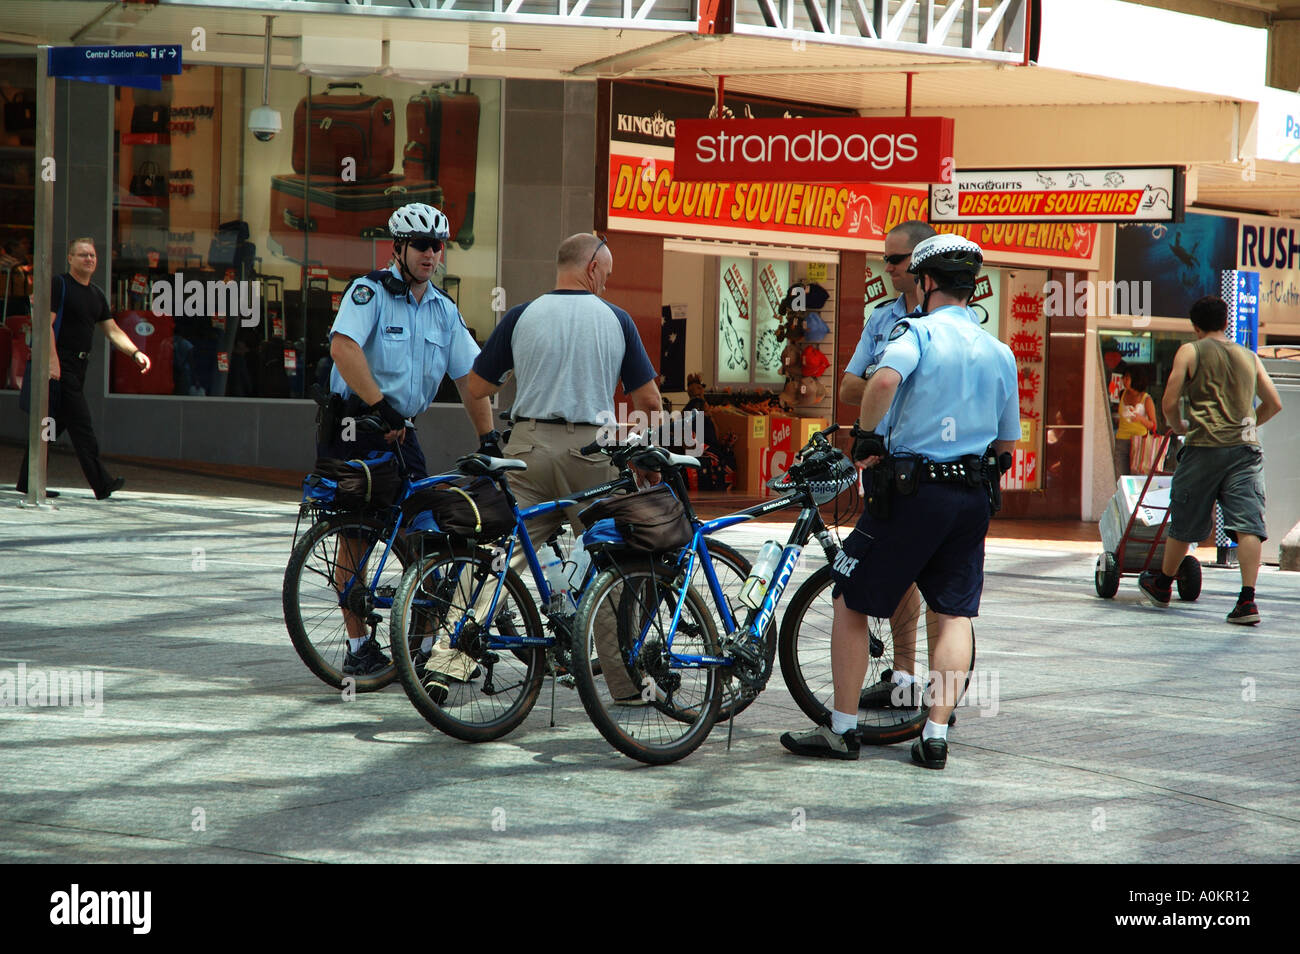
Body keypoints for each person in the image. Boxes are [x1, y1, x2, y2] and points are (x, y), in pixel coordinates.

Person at [781, 235, 1019, 769]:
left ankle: (842, 730)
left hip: (912, 492)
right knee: (954, 613)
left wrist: (865, 438)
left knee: (850, 596)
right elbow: (1006, 443)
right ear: (972, 285)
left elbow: (884, 378)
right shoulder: (998, 351)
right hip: (972, 496)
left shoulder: (917, 333)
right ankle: (935, 736)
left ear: (927, 281)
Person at [467, 232, 662, 702]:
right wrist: (639, 452)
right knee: (614, 563)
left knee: (500, 557)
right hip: (591, 453)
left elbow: (476, 386)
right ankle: (625, 686)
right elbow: (648, 400)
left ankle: (446, 660)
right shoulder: (616, 320)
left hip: (526, 448)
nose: (607, 286)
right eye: (608, 276)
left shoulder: (521, 316)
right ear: (592, 267)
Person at [321, 202, 495, 677]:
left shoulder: (443, 309)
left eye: (438, 245)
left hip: (404, 433)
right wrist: (379, 404)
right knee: (356, 536)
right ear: (398, 247)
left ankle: (420, 648)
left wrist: (491, 439)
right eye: (421, 245)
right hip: (357, 426)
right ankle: (359, 647)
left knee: (426, 537)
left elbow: (470, 379)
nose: (431, 254)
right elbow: (343, 348)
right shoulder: (369, 292)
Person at [838, 220, 936, 712]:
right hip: (885, 461)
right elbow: (851, 387)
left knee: (931, 579)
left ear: (920, 263)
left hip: (932, 466)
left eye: (895, 260)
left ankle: (929, 688)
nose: (887, 268)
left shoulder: (951, 319)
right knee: (896, 572)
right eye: (885, 258)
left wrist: (888, 377)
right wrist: (895, 378)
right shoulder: (882, 319)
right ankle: (904, 678)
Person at [1138, 296, 1283, 625]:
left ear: (1195, 326)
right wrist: (1248, 424)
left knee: (1185, 518)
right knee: (1249, 525)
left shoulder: (1191, 351)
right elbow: (1273, 403)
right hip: (1246, 451)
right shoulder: (1248, 355)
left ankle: (1162, 584)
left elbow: (1170, 400)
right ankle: (1247, 601)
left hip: (1204, 446)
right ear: (1225, 322)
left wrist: (1178, 426)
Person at [16, 237, 151, 500]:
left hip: (77, 367)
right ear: (70, 259)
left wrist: (135, 352)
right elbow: (45, 324)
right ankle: (102, 484)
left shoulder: (97, 294)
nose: (88, 259)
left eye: (92, 255)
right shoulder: (60, 284)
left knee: (50, 425)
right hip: (58, 365)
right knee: (81, 426)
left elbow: (112, 329)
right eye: (82, 255)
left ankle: (27, 480)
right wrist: (52, 361)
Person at [1114, 365, 1157, 475]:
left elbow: (1153, 425)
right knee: (1120, 477)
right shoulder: (1122, 394)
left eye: (1127, 378)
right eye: (1124, 377)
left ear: (1136, 379)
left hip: (1139, 441)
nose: (1124, 380)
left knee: (1137, 475)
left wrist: (1140, 418)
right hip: (1121, 440)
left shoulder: (1146, 399)